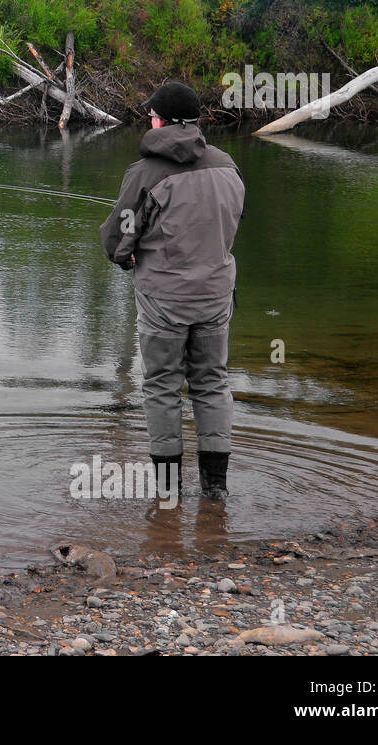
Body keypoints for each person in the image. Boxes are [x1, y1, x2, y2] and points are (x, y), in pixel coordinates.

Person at [100, 82, 245, 501]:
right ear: (197, 121)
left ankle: (167, 493)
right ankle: (214, 489)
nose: (149, 119)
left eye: (151, 115)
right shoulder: (227, 166)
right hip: (217, 295)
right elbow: (233, 221)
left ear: (159, 121)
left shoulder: (144, 174)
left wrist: (127, 256)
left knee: (162, 385)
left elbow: (116, 241)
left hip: (164, 300)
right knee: (212, 382)